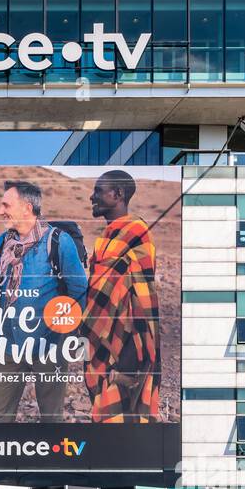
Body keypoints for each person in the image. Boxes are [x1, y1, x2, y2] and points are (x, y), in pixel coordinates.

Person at [0, 180, 88, 422]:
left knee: (51, 416)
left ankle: (51, 458)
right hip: (7, 342)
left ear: (27, 208)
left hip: (48, 344)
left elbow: (78, 290)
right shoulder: (4, 241)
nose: (0, 211)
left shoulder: (58, 241)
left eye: (6, 205)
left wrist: (64, 334)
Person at [82, 169, 161, 422]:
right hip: (99, 339)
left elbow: (142, 298)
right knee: (102, 411)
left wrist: (130, 356)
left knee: (125, 418)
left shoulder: (137, 233)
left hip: (127, 343)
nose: (92, 197)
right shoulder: (104, 238)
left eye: (98, 191)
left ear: (118, 194)